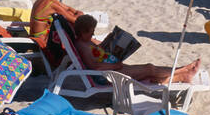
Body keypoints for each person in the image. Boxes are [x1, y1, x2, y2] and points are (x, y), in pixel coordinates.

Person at [70, 14, 201, 86]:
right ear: (82, 32)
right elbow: (95, 67)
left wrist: (110, 40)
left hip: (113, 68)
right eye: (91, 32)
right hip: (108, 75)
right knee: (149, 69)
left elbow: (98, 51)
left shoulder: (86, 41)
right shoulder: (82, 46)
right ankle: (182, 69)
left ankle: (183, 76)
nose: (93, 34)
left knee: (149, 76)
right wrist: (115, 65)